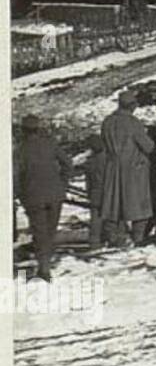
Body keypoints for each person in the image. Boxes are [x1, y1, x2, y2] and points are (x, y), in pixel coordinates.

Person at [16, 115, 71, 280]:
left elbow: (15, 177)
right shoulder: (51, 144)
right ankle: (45, 262)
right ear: (38, 128)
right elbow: (68, 164)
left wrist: (21, 194)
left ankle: (44, 268)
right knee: (50, 231)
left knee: (40, 232)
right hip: (55, 194)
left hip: (33, 197)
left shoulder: (20, 151)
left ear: (23, 131)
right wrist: (62, 183)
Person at [100, 89, 154, 247]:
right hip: (133, 170)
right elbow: (147, 146)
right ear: (132, 106)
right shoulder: (133, 123)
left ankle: (116, 237)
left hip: (112, 168)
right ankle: (138, 237)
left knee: (114, 205)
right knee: (139, 206)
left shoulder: (107, 122)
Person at [83, 135, 107, 250]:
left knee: (95, 218)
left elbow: (88, 181)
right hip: (107, 191)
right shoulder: (108, 160)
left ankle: (94, 241)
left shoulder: (90, 162)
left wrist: (89, 193)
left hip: (95, 192)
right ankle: (114, 237)